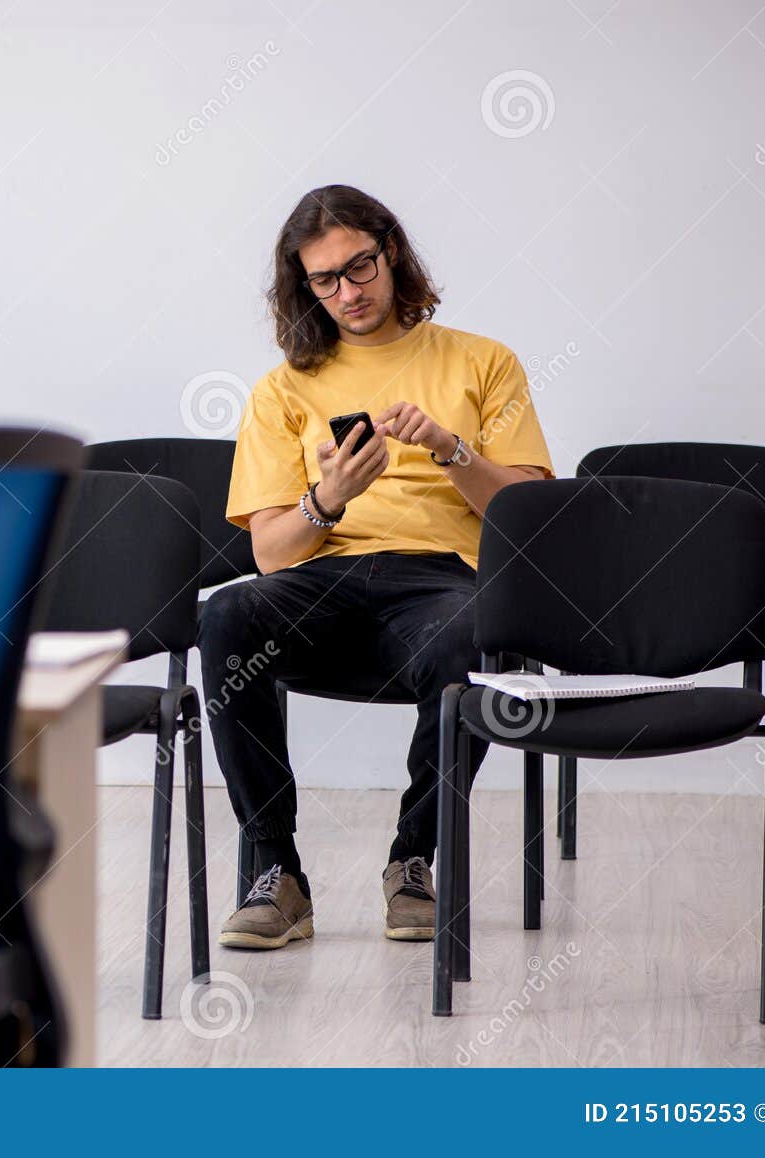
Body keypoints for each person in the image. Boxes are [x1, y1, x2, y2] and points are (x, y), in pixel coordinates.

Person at [202, 184, 554, 948]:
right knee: (226, 611)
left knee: (476, 632)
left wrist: (450, 449)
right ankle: (278, 872)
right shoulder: (282, 389)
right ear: (304, 284)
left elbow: (531, 519)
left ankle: (412, 859)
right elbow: (268, 554)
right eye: (323, 280)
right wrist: (327, 498)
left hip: (441, 579)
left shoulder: (481, 362)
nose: (347, 293)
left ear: (389, 251)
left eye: (358, 268)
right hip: (322, 582)